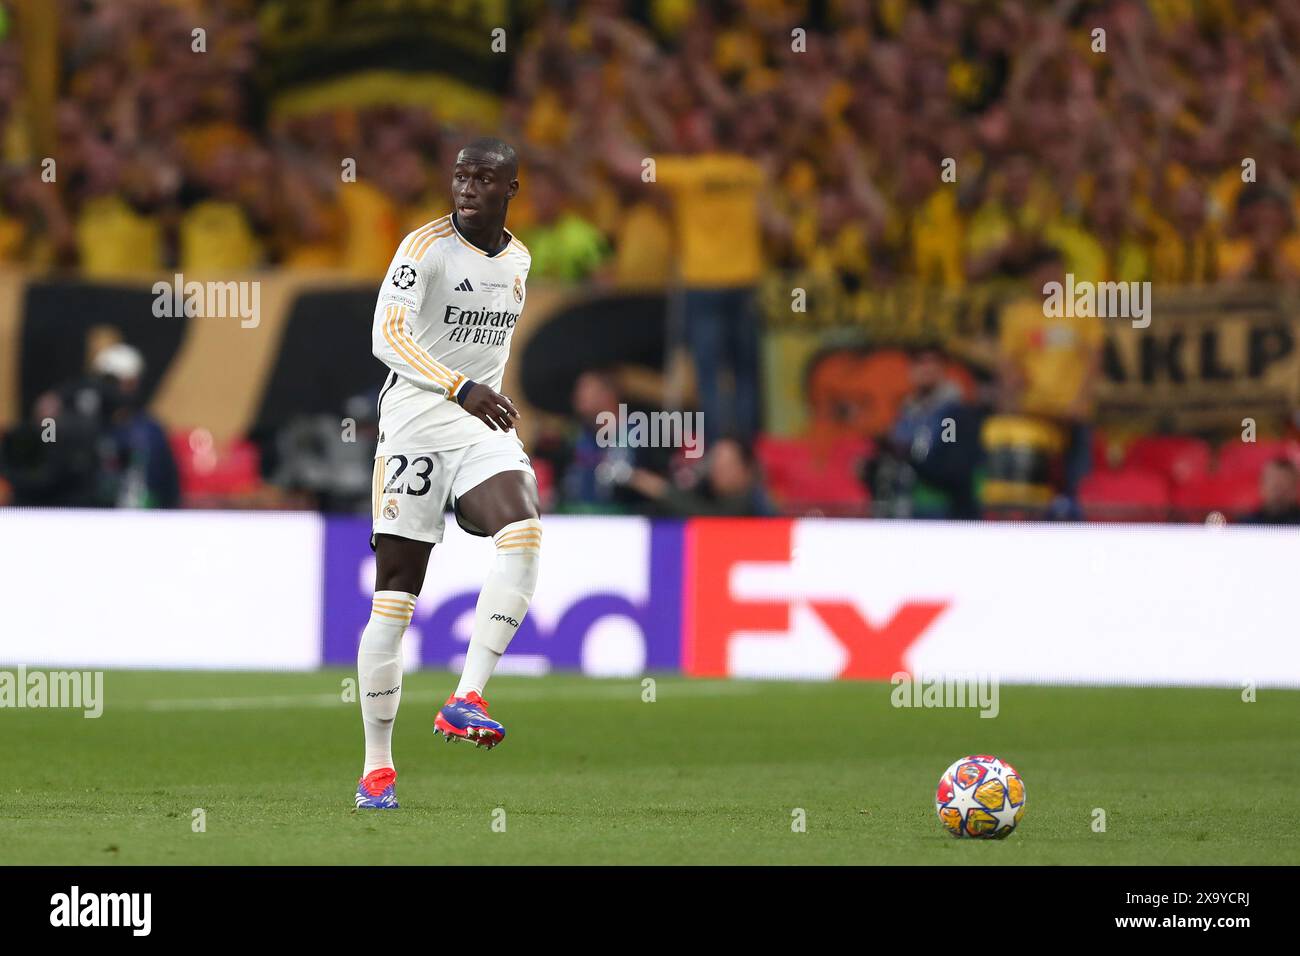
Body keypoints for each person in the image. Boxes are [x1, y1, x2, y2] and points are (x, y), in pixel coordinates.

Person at [355, 138, 541, 810]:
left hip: (476, 422)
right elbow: (386, 335)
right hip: (414, 422)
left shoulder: (518, 259)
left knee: (522, 526)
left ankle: (466, 696)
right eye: (461, 176)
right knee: (396, 598)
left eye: (485, 179)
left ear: (510, 190)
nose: (467, 188)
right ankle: (378, 768)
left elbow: (485, 347)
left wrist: (473, 395)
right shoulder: (423, 248)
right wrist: (458, 385)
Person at [1240, 458, 1300, 525]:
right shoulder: (1245, 524)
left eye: (1284, 482)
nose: (1279, 491)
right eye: (1274, 484)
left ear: (1295, 488)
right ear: (1262, 486)